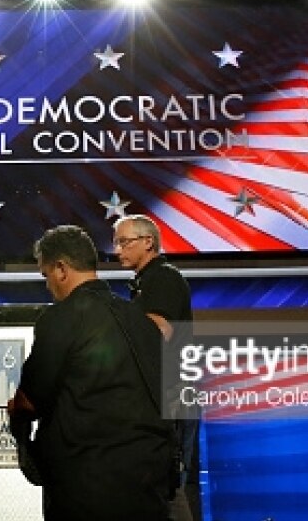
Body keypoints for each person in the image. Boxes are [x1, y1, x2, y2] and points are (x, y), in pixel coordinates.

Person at [9, 225, 173, 521]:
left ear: (61, 268)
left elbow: (30, 400)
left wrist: (16, 414)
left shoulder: (61, 318)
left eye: (46, 275)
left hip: (87, 489)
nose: (48, 286)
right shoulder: (142, 321)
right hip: (150, 486)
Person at [113, 215, 197, 521]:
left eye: (124, 242)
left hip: (171, 396)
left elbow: (159, 331)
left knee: (168, 486)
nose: (118, 250)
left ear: (148, 242)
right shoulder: (145, 282)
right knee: (158, 486)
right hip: (164, 397)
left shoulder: (162, 277)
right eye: (116, 243)